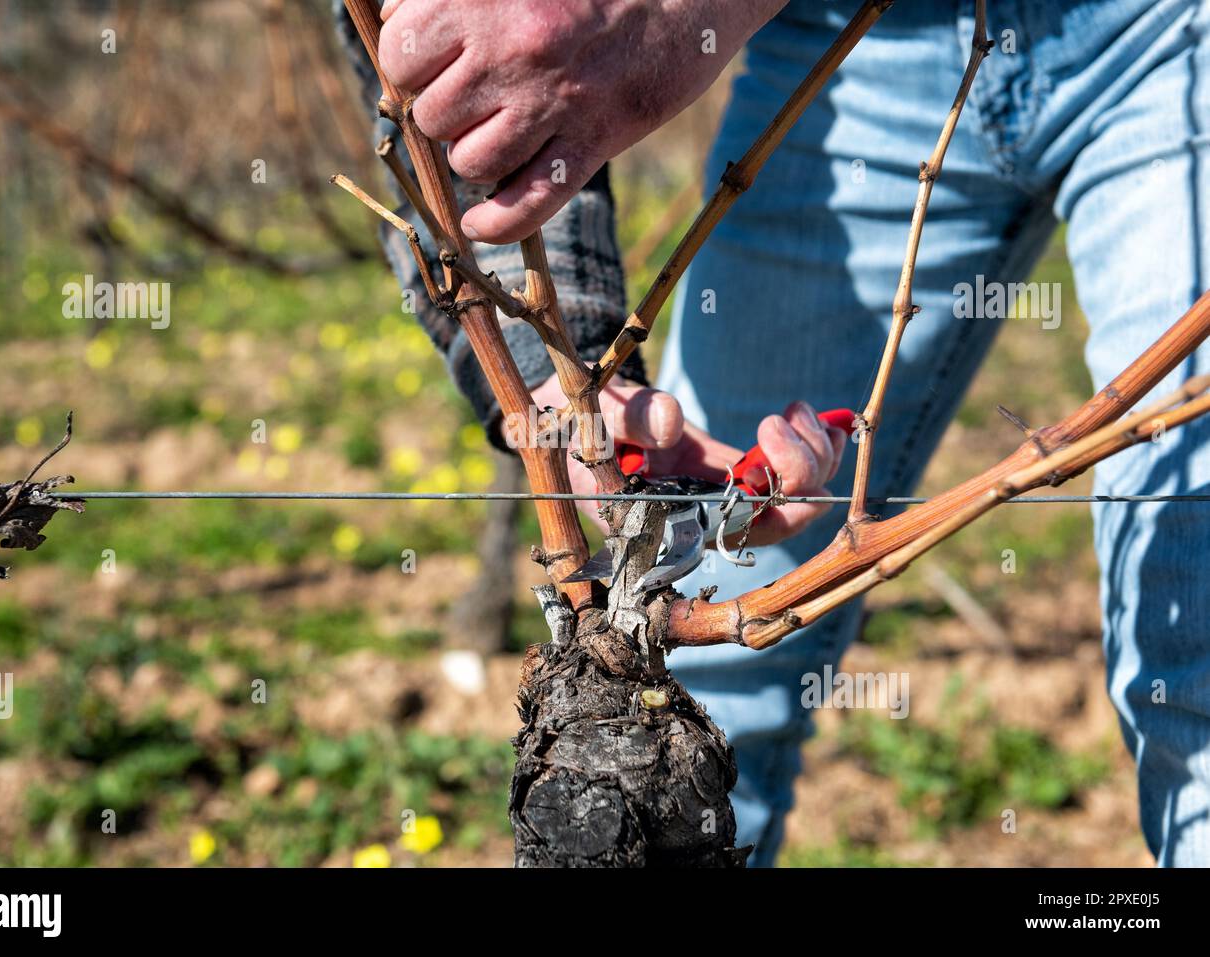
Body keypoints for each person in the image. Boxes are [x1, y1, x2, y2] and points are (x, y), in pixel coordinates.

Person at [346, 0, 1210, 866]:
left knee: (1197, 675)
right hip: (851, 46)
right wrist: (555, 383)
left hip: (1174, 34)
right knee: (701, 676)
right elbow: (441, 61)